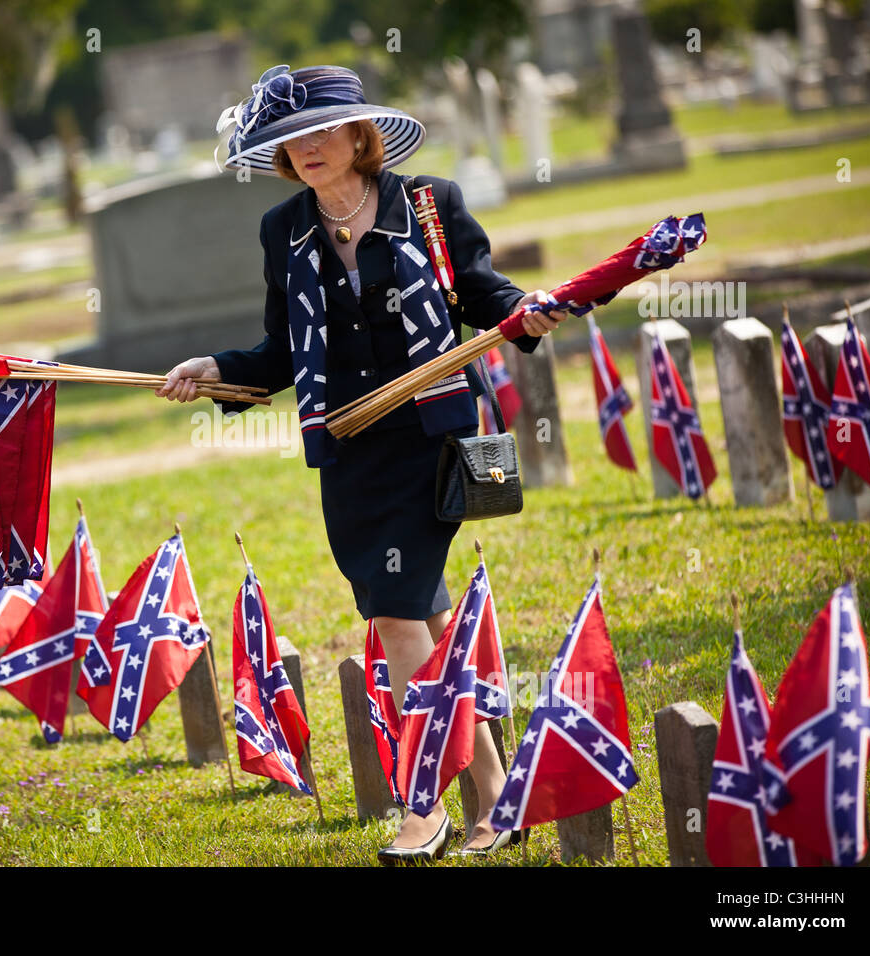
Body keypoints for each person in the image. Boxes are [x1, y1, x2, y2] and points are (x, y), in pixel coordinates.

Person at [158, 64, 568, 864]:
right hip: (346, 451)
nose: (305, 148)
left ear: (357, 134)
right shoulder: (284, 229)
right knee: (430, 627)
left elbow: (484, 296)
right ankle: (498, 797)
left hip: (433, 440)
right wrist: (216, 369)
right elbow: (281, 350)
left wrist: (529, 315)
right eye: (288, 138)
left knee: (394, 619)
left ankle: (425, 808)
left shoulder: (430, 203)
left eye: (320, 131)